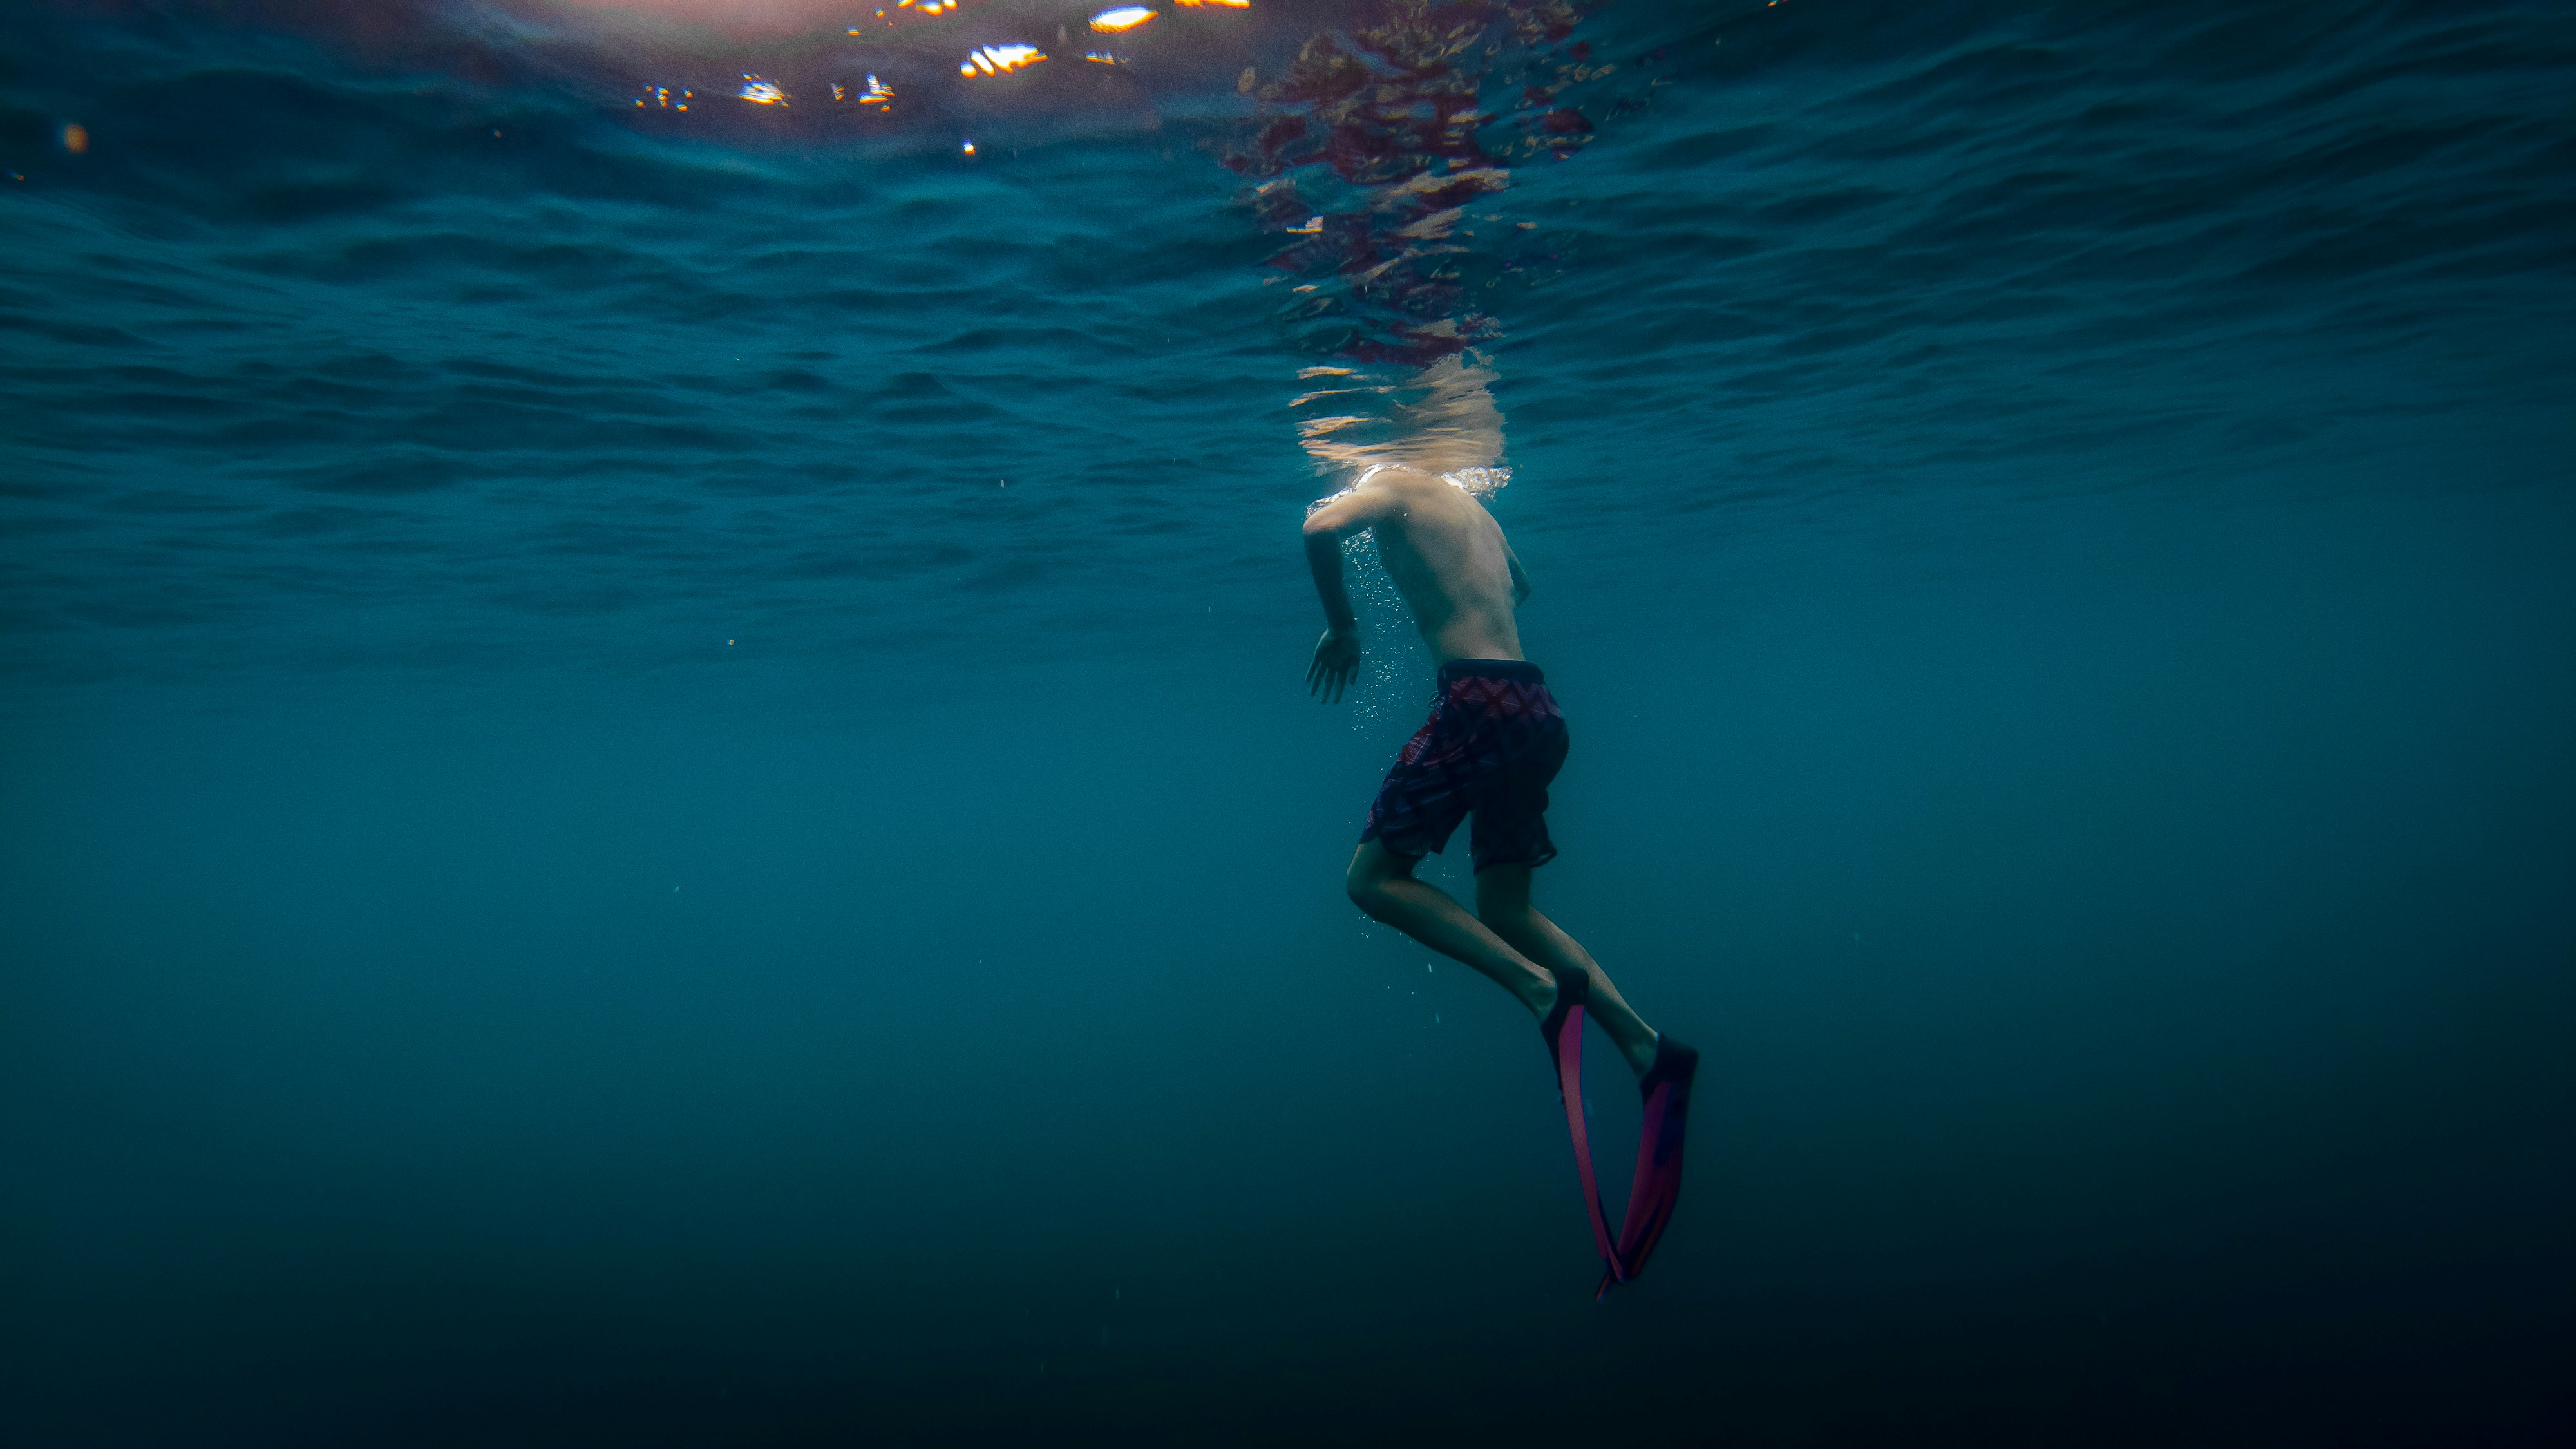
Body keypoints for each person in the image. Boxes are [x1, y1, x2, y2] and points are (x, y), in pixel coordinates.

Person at [1303, 461, 1698, 1289]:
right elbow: (1521, 587)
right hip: (1535, 709)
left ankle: (1541, 992)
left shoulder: (1394, 482)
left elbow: (1317, 530)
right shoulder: (1468, 505)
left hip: (1477, 703)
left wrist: (1344, 627)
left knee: (1371, 881)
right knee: (1506, 902)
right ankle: (1646, 1047)